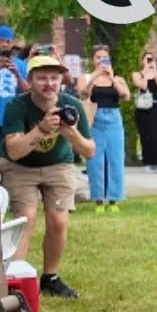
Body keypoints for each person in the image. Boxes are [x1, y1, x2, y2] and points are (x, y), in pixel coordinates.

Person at [0, 54, 94, 298]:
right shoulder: (16, 106)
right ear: (30, 80)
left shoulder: (71, 104)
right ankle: (14, 278)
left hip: (58, 164)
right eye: (42, 78)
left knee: (59, 220)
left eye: (54, 78)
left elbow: (89, 151)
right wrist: (41, 128)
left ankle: (50, 277)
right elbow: (13, 150)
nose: (49, 83)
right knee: (26, 217)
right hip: (20, 166)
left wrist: (69, 133)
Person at [77, 45, 130, 213]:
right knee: (95, 160)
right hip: (95, 118)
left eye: (104, 57)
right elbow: (83, 95)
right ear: (93, 60)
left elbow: (126, 96)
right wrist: (94, 77)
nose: (101, 61)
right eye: (98, 57)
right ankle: (99, 200)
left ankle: (114, 200)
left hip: (114, 118)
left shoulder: (118, 78)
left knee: (115, 158)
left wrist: (112, 79)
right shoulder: (85, 77)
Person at [131, 50, 157, 172]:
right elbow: (142, 86)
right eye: (147, 59)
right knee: (146, 135)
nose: (149, 61)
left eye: (151, 59)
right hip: (144, 109)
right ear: (142, 61)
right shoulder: (137, 74)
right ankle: (148, 162)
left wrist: (154, 70)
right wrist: (146, 72)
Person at [0, 26, 29, 122]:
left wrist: (17, 74)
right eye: (1, 41)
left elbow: (27, 91)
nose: (4, 44)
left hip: (13, 117)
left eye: (8, 41)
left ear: (12, 44)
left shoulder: (20, 64)